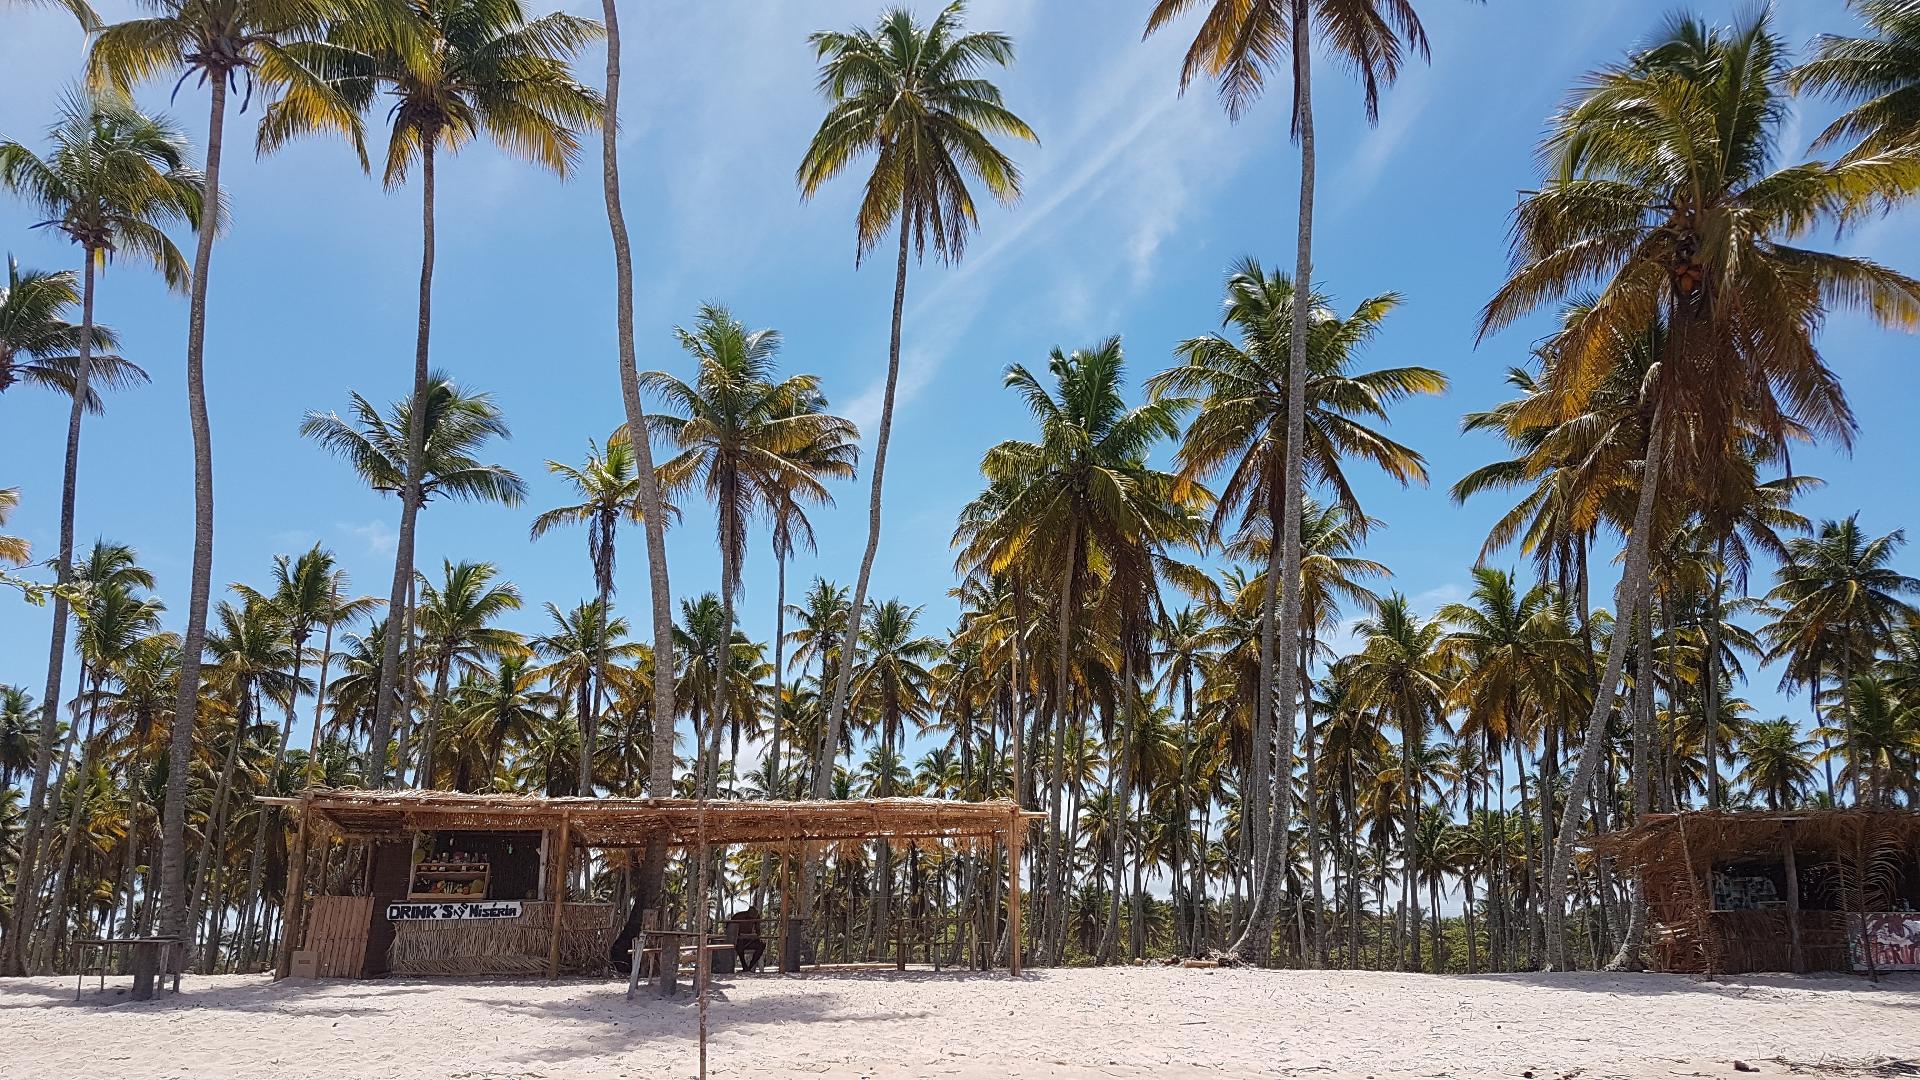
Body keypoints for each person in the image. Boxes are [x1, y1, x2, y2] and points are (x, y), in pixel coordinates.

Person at [728, 905, 766, 972]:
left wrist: (754, 936)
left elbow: (758, 931)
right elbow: (729, 929)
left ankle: (750, 966)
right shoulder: (738, 916)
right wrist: (738, 935)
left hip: (749, 940)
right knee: (739, 947)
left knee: (761, 945)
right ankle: (744, 966)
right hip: (738, 939)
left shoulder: (756, 917)